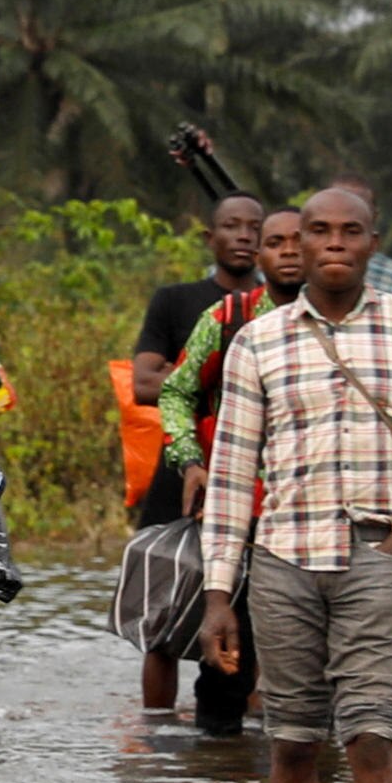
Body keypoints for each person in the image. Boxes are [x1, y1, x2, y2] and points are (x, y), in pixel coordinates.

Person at [197, 180, 392, 783]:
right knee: (293, 742)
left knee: (373, 740)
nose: (335, 244)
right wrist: (217, 596)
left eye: (350, 232)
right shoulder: (258, 341)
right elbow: (232, 474)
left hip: (377, 555)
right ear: (299, 243)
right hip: (281, 562)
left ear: (373, 244)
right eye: (319, 231)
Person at [150, 205, 306, 736]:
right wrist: (190, 461)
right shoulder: (229, 318)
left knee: (317, 662)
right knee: (226, 660)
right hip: (242, 512)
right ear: (259, 254)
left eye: (299, 240)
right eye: (276, 242)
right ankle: (218, 773)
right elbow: (176, 391)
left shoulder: (353, 326)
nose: (289, 252)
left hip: (318, 516)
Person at [125, 194, 273, 716]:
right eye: (231, 226)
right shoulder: (178, 301)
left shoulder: (282, 310)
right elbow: (145, 384)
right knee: (162, 617)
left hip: (256, 480)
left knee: (255, 615)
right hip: (184, 473)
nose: (244, 236)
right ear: (210, 238)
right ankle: (156, 729)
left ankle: (240, 731)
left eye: (255, 228)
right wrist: (212, 383)